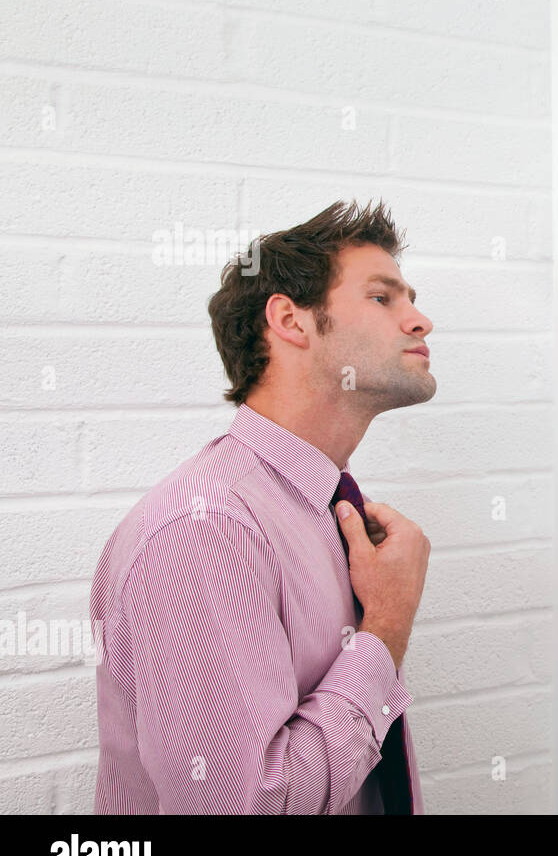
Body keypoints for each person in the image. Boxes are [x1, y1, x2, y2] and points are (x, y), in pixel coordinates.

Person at [91, 200, 436, 812]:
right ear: (291, 321)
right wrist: (385, 628)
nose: (420, 321)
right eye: (383, 298)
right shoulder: (203, 532)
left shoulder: (327, 512)